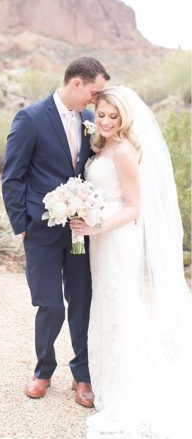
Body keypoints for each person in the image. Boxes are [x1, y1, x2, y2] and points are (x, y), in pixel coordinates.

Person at [70, 86, 192, 438]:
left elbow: (135, 207)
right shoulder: (101, 145)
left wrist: (97, 226)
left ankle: (129, 388)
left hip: (118, 237)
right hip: (100, 236)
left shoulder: (124, 150)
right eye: (102, 115)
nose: (106, 121)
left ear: (124, 118)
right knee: (107, 306)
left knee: (121, 306)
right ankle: (107, 378)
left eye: (114, 116)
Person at [1, 56, 110, 407]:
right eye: (94, 92)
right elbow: (12, 176)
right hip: (41, 231)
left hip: (80, 231)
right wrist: (22, 227)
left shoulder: (90, 119)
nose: (96, 100)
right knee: (49, 304)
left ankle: (83, 375)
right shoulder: (31, 118)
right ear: (77, 82)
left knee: (82, 302)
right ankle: (43, 370)